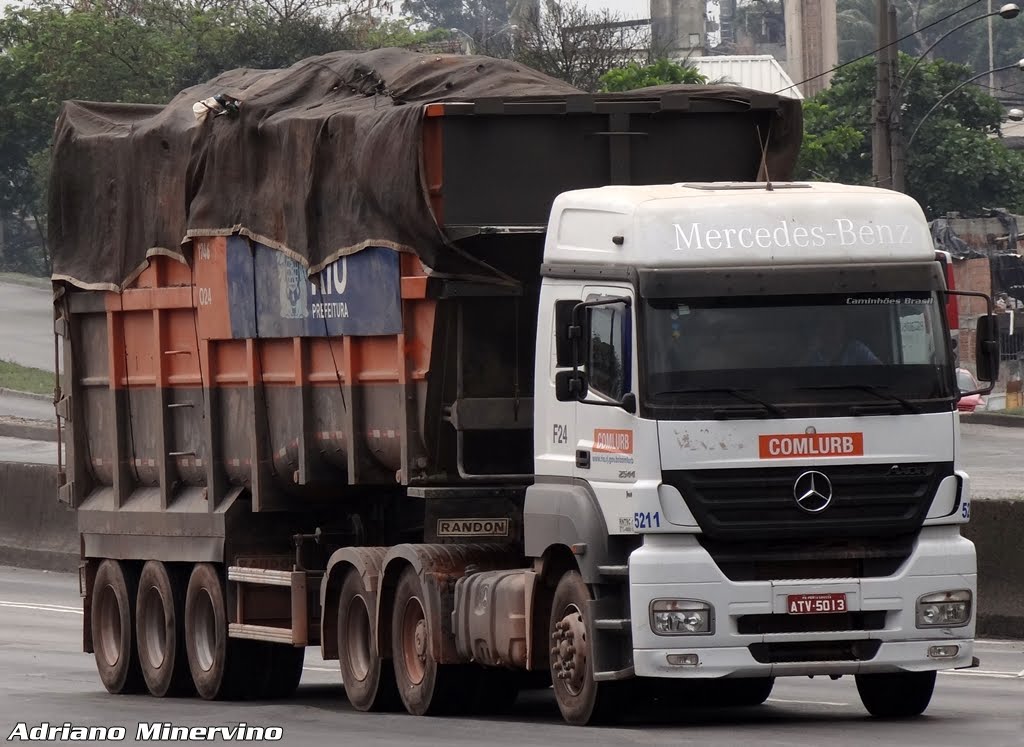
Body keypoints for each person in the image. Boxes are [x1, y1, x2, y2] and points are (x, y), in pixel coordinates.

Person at [803, 311, 882, 366]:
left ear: (843, 329)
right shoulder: (812, 354)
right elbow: (793, 379)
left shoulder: (856, 348)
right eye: (825, 324)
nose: (830, 329)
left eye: (834, 324)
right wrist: (809, 352)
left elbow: (880, 370)